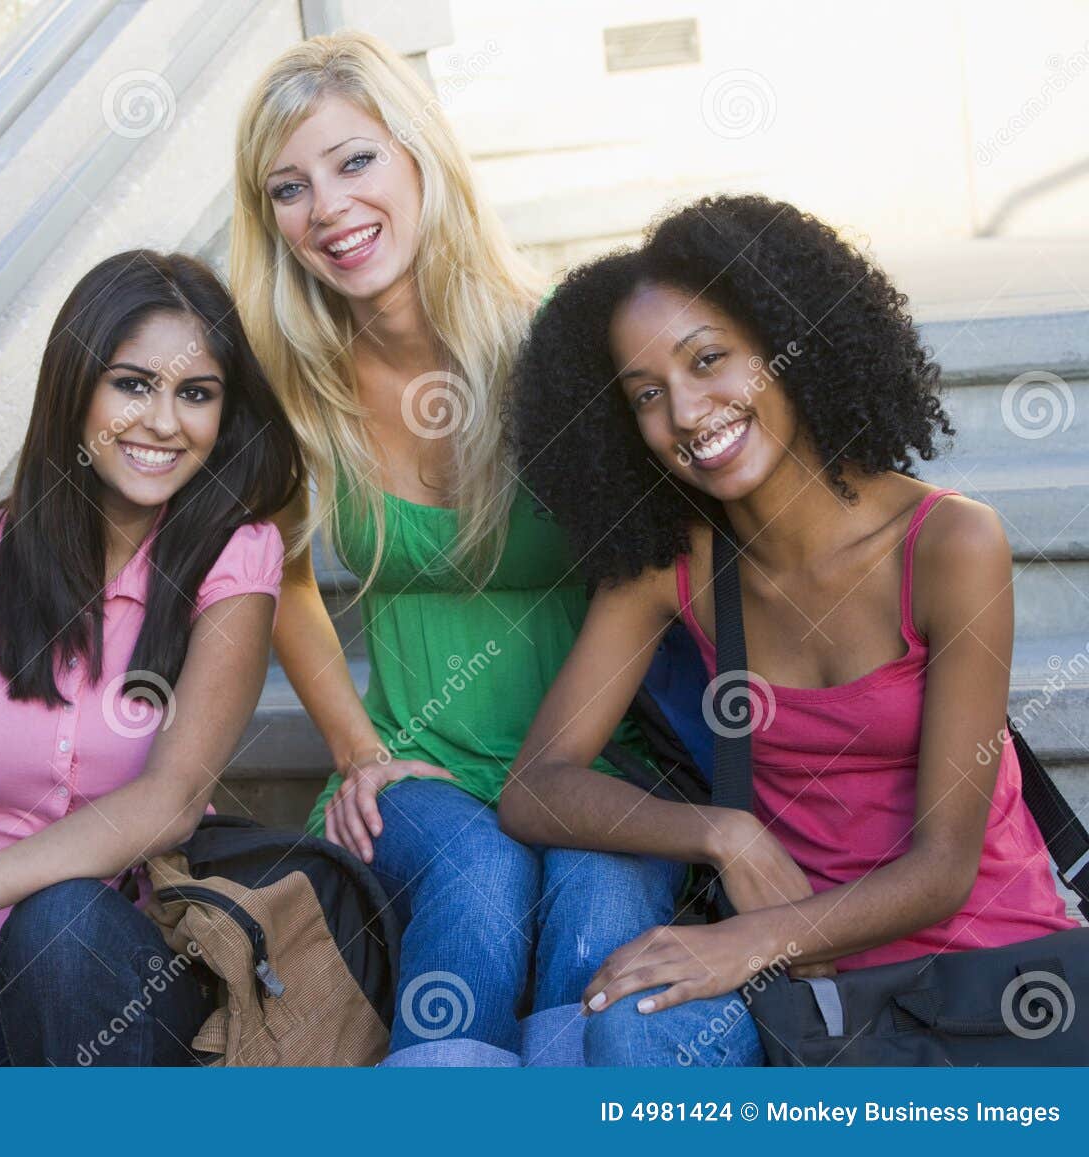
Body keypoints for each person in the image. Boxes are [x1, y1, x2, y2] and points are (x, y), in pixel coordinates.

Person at [501, 194, 1075, 1058]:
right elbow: (536, 785)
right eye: (648, 394)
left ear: (785, 343)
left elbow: (945, 868)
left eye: (710, 361)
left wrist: (750, 938)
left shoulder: (952, 543)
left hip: (989, 983)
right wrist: (722, 831)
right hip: (807, 1001)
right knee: (611, 1038)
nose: (689, 413)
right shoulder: (679, 563)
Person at [231, 31, 709, 1066]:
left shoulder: (563, 348)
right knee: (479, 879)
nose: (328, 208)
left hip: (598, 757)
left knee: (594, 928)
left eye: (353, 160)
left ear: (417, 157)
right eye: (288, 187)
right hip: (420, 764)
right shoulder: (294, 384)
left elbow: (691, 541)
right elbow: (285, 575)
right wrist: (358, 747)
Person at [0, 250, 301, 1066]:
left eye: (195, 394)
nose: (164, 421)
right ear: (75, 388)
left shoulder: (233, 560)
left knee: (58, 918)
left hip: (132, 984)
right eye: (133, 384)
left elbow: (172, 797)